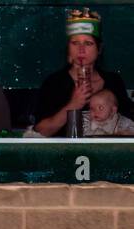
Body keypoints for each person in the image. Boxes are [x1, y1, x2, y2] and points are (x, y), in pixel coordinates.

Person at [32, 8, 134, 137]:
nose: (81, 50)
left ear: (99, 49)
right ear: (68, 49)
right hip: (64, 154)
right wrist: (73, 105)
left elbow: (129, 124)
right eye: (75, 43)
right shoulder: (54, 83)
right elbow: (40, 132)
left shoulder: (113, 81)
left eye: (88, 43)